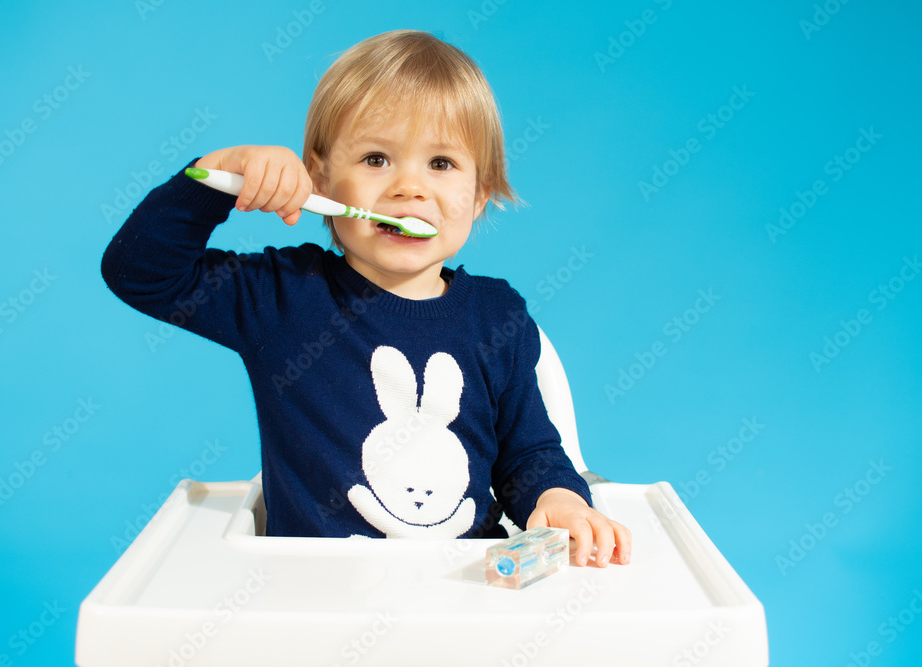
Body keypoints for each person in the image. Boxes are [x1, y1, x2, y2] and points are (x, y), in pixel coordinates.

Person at [102, 30, 630, 567]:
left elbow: (529, 454)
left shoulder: (498, 317)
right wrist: (219, 178)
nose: (409, 188)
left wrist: (558, 499)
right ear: (321, 181)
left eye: (441, 164)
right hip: (317, 599)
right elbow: (141, 273)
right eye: (377, 159)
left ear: (480, 196)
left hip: (464, 592)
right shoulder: (284, 297)